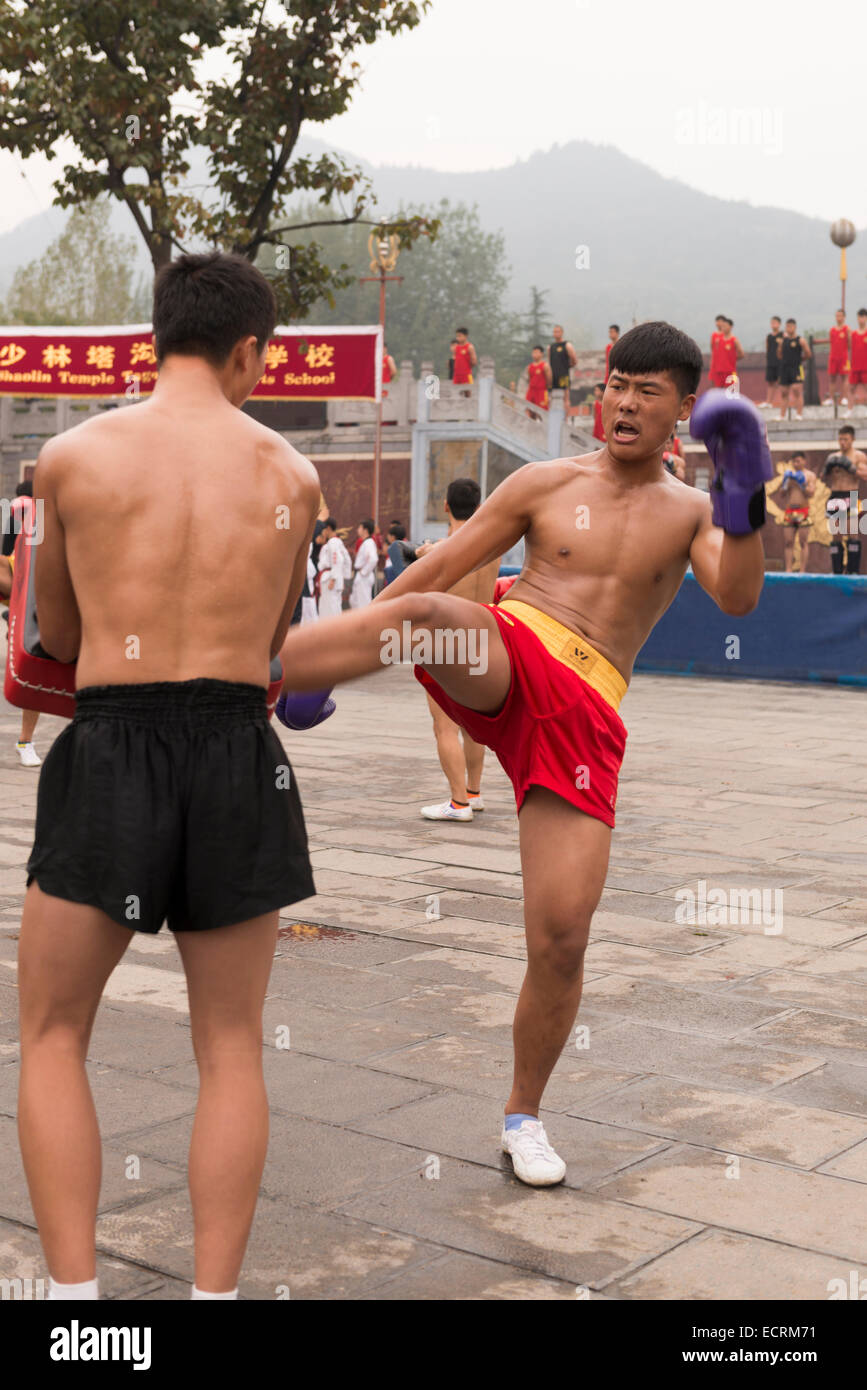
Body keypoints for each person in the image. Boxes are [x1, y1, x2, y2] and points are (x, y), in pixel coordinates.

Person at [277, 321, 768, 1187]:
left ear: (681, 410)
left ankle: (522, 1116)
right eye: (614, 383)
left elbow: (735, 598)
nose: (621, 402)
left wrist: (744, 492)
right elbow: (432, 573)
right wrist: (335, 657)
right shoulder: (542, 483)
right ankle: (266, 677)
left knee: (561, 939)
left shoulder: (692, 510)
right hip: (508, 653)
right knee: (432, 622)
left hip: (584, 713)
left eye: (645, 391)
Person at [18, 250, 320, 1301]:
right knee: (232, 1044)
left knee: (55, 1034)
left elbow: (54, 631)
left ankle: (72, 1308)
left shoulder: (73, 459)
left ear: (158, 336)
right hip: (237, 745)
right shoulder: (294, 476)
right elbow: (276, 642)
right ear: (248, 352)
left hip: (113, 741)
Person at [416, 478, 500, 822]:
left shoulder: (442, 550)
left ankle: (458, 803)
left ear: (446, 506)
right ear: (479, 508)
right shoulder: (492, 549)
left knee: (444, 726)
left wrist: (425, 554)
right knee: (473, 724)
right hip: (482, 636)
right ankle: (474, 793)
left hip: (448, 641)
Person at [776, 452, 817, 572]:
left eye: (798, 461)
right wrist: (785, 484)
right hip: (790, 511)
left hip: (803, 510)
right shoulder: (789, 475)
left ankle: (802, 570)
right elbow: (781, 495)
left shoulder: (810, 475)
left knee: (803, 541)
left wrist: (802, 483)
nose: (795, 464)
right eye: (794, 461)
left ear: (804, 461)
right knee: (788, 542)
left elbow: (811, 493)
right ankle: (788, 569)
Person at [778, 318, 812, 419]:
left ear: (795, 327)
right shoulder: (783, 341)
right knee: (784, 392)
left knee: (796, 389)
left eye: (791, 326)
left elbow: (808, 353)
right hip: (785, 368)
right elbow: (779, 354)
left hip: (796, 368)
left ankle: (799, 414)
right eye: (787, 326)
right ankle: (782, 415)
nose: (789, 328)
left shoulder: (800, 340)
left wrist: (800, 359)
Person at [317, 516, 351, 616]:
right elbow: (347, 560)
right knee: (333, 607)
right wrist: (342, 576)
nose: (323, 533)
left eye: (323, 530)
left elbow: (337, 560)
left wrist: (334, 578)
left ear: (328, 528)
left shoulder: (333, 542)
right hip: (333, 577)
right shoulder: (337, 542)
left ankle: (331, 630)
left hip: (330, 578)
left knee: (330, 608)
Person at [819, 309, 850, 408]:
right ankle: (831, 399)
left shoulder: (847, 329)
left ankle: (844, 398)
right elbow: (832, 344)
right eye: (837, 316)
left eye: (840, 316)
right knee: (832, 378)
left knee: (845, 377)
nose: (838, 318)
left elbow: (849, 344)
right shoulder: (832, 330)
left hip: (844, 357)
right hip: (833, 357)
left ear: (844, 317)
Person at [350, 518, 378, 608]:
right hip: (361, 575)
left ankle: (367, 622)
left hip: (364, 577)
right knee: (355, 602)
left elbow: (373, 559)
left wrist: (364, 572)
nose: (357, 530)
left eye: (360, 528)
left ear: (365, 530)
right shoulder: (366, 542)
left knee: (363, 604)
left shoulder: (369, 543)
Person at [709, 315, 742, 390]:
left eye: (725, 326)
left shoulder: (734, 340)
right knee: (718, 390)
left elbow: (741, 354)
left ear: (730, 327)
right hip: (718, 369)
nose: (723, 327)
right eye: (722, 326)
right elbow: (714, 352)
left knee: (732, 390)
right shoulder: (717, 339)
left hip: (730, 370)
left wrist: (732, 359)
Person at [845, 307, 867, 414]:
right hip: (855, 366)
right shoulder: (853, 334)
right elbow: (849, 347)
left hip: (865, 367)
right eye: (859, 317)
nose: (861, 320)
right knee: (851, 388)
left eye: (863, 317)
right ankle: (849, 409)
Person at [548, 325, 577, 402]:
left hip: (564, 376)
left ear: (562, 332)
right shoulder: (550, 347)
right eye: (554, 332)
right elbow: (549, 362)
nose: (556, 333)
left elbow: (574, 360)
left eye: (558, 331)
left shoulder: (567, 345)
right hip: (553, 376)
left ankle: (566, 414)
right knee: (552, 398)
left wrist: (567, 366)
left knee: (565, 398)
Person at [761, 315, 784, 408]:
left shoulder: (783, 335)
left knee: (781, 382)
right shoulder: (769, 336)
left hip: (780, 362)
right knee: (770, 382)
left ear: (779, 324)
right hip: (771, 362)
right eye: (772, 323)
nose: (773, 325)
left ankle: (782, 401)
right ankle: (768, 402)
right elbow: (767, 348)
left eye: (775, 323)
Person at [525, 345, 552, 416]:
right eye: (533, 353)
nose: (535, 355)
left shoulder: (545, 366)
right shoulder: (529, 367)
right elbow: (530, 379)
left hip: (541, 392)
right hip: (531, 391)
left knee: (541, 413)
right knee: (529, 412)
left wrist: (548, 392)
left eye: (537, 353)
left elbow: (549, 380)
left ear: (541, 354)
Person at [452, 327, 477, 392]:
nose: (458, 338)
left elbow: (474, 361)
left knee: (468, 392)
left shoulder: (469, 347)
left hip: (467, 374)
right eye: (457, 336)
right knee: (456, 392)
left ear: (466, 336)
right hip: (457, 375)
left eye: (460, 336)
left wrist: (467, 368)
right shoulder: (456, 347)